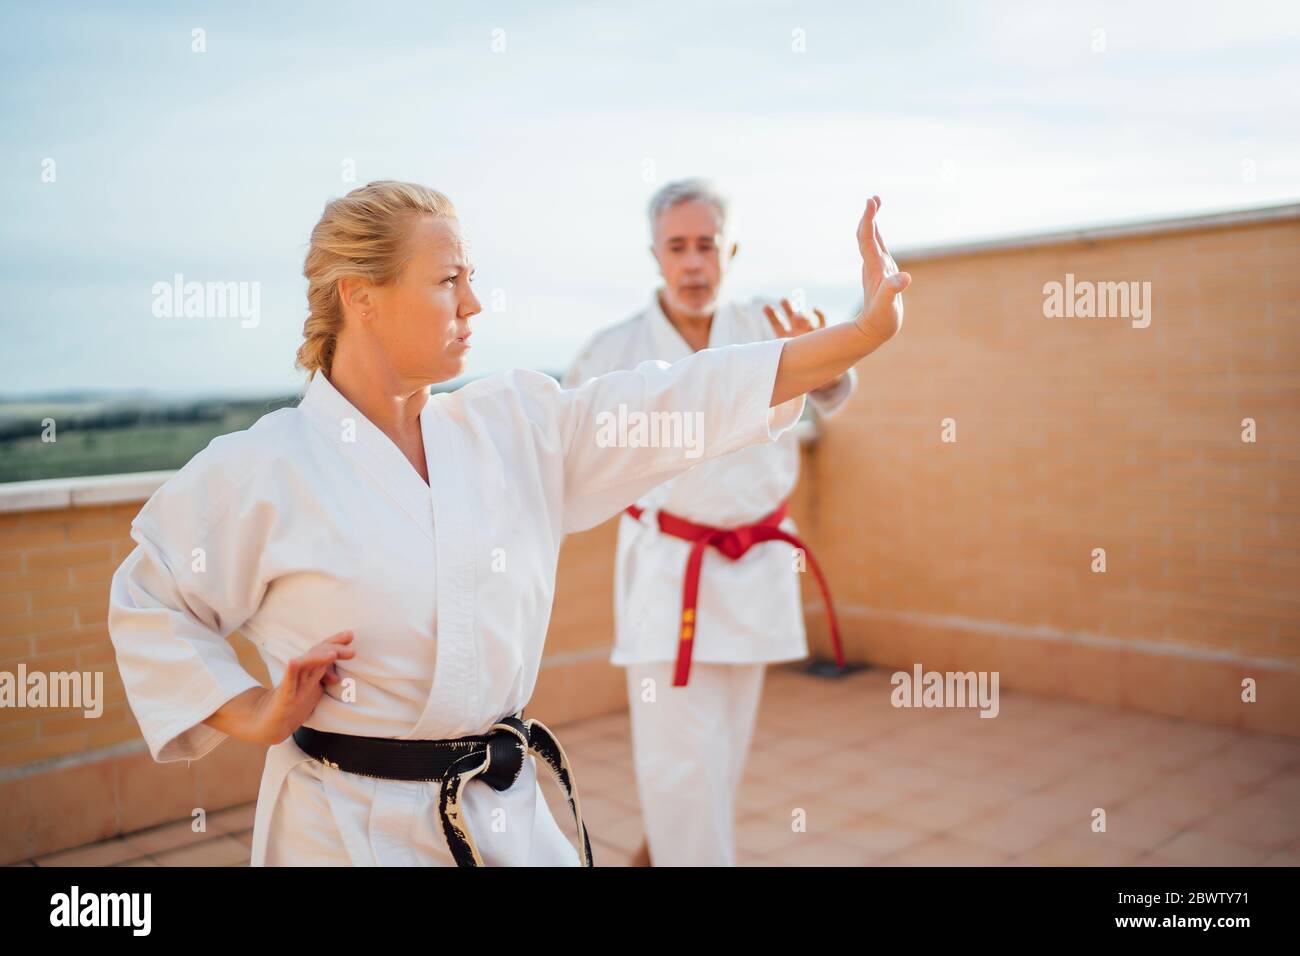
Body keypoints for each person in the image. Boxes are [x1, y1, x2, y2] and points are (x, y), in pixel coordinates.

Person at [107, 180, 909, 866]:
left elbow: (675, 398)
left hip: (504, 814)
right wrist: (246, 711)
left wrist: (857, 337)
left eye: (473, 277)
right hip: (345, 828)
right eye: (448, 279)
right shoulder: (265, 467)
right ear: (361, 296)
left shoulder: (512, 425)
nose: (474, 302)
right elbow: (151, 596)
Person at [563, 178, 861, 866]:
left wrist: (824, 364)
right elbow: (570, 452)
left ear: (730, 250)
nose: (693, 263)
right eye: (677, 247)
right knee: (681, 775)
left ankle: (653, 856)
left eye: (706, 245)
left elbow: (838, 394)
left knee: (715, 766)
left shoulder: (767, 326)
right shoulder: (611, 350)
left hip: (754, 569)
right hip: (669, 578)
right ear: (656, 255)